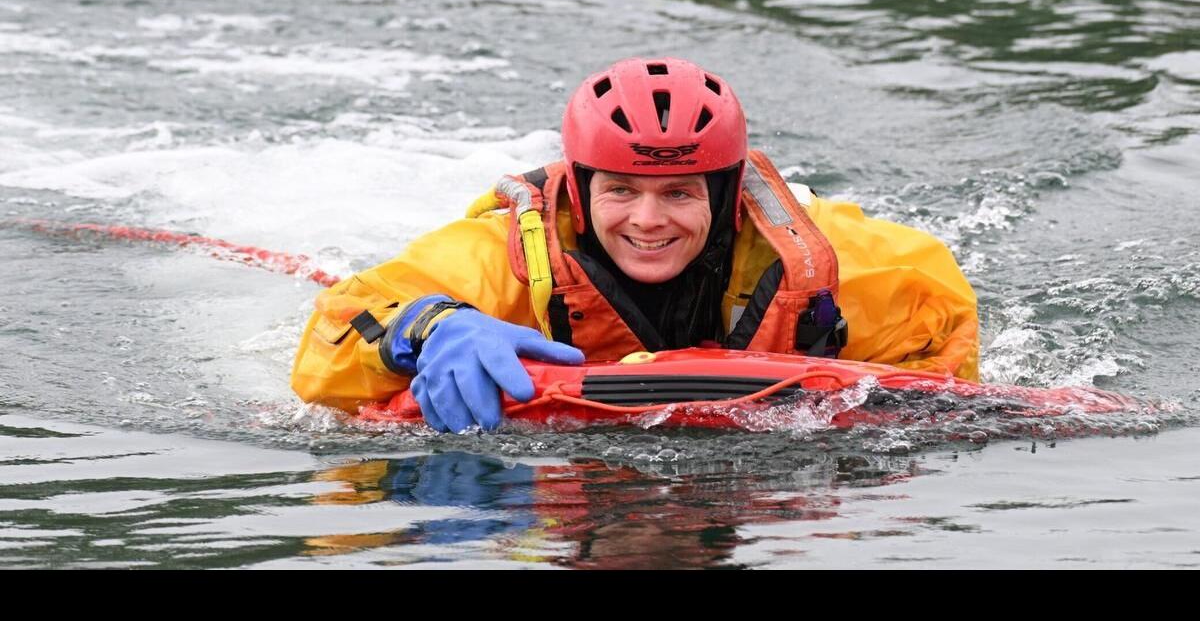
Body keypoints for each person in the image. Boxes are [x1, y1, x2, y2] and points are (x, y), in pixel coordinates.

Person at [291, 57, 978, 433]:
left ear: (726, 196)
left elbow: (946, 346)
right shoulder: (497, 259)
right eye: (620, 190)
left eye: (679, 193)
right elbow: (331, 344)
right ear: (579, 188)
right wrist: (428, 327)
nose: (648, 220)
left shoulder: (844, 262)